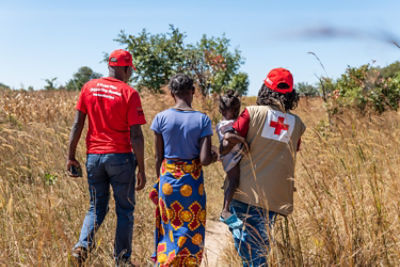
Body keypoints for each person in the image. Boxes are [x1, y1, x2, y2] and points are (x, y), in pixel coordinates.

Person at [66, 49, 147, 266]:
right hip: (120, 158)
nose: (130, 74)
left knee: (96, 206)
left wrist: (70, 156)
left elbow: (77, 124)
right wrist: (142, 169)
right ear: (125, 68)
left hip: (94, 158)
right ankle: (122, 260)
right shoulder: (129, 93)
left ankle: (82, 246)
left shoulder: (88, 87)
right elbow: (136, 135)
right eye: (130, 70)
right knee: (125, 210)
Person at [222, 68, 306, 266]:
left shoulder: (252, 113)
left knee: (252, 254)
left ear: (264, 89)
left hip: (246, 191)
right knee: (259, 245)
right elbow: (294, 148)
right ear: (291, 94)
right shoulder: (297, 123)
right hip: (275, 197)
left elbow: (227, 144)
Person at [149, 73, 217, 266]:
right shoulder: (202, 120)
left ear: (172, 93)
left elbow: (158, 157)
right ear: (193, 92)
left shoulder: (161, 118)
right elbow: (204, 160)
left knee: (169, 227)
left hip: (167, 181)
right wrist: (214, 155)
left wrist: (161, 181)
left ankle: (165, 261)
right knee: (190, 229)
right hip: (192, 185)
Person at [216, 90, 246, 229]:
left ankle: (226, 208)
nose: (235, 113)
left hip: (232, 156)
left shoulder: (224, 122)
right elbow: (228, 137)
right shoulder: (227, 124)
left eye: (236, 110)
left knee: (233, 181)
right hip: (230, 157)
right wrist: (243, 141)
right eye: (233, 111)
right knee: (234, 181)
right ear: (224, 111)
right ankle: (225, 210)